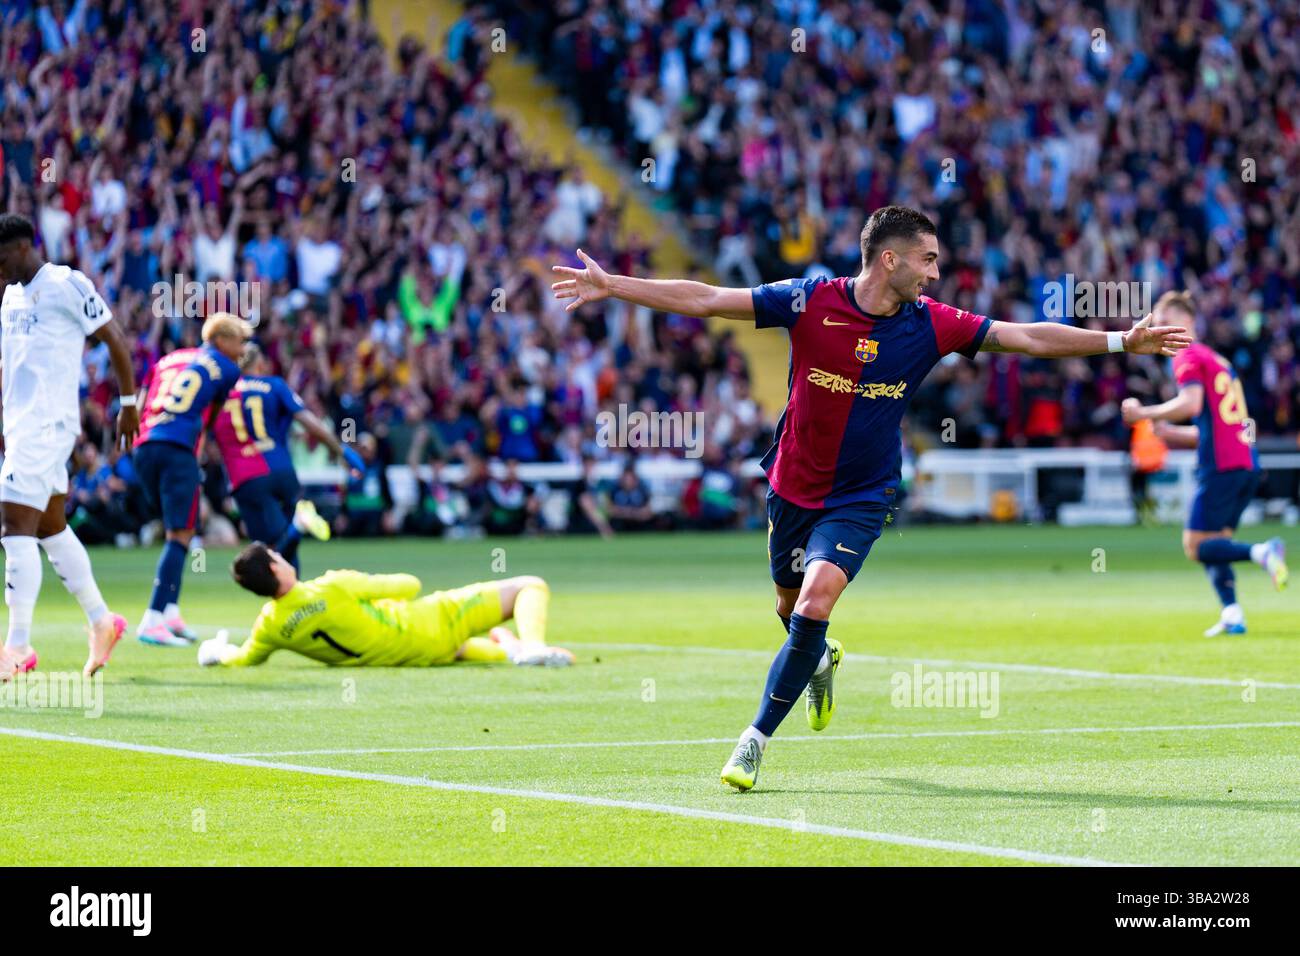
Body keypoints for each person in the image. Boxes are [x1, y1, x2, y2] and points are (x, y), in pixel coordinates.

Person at [553, 204, 1190, 791]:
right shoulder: (809, 300)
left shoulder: (933, 324)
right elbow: (709, 298)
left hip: (863, 493)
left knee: (815, 596)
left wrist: (1116, 342)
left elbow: (1025, 337)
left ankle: (753, 740)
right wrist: (615, 285)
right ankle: (818, 655)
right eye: (929, 260)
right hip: (794, 484)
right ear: (891, 259)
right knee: (789, 608)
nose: (936, 274)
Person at [0, 213, 138, 680]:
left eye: (1, 259)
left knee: (13, 523)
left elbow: (114, 338)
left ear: (22, 248)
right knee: (51, 527)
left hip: (47, 425)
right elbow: (9, 366)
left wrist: (129, 402)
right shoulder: (9, 297)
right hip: (21, 428)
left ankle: (17, 646)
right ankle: (102, 620)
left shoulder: (65, 283)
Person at [1122, 290, 1287, 637]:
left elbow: (1191, 404)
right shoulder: (1217, 360)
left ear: (1186, 321)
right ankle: (1232, 613)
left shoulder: (1186, 354)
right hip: (1244, 463)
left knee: (1195, 546)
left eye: (1164, 322)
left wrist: (1144, 413)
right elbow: (1213, 427)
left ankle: (1264, 552)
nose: (1159, 331)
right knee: (1217, 544)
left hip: (1223, 466)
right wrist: (1170, 433)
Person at [200, 542, 573, 668]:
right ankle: (534, 647)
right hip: (431, 622)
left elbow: (245, 658)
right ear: (273, 568)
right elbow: (410, 585)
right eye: (277, 556)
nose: (283, 557)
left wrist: (217, 652)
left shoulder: (270, 626)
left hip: (412, 654)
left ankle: (512, 650)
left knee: (461, 647)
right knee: (529, 585)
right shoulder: (331, 586)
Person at [132, 312, 251, 647]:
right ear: (222, 340)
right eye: (239, 341)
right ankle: (153, 618)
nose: (242, 350)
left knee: (180, 531)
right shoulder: (225, 367)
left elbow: (143, 396)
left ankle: (169, 611)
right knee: (181, 534)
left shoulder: (170, 359)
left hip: (145, 445)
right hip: (177, 448)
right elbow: (211, 415)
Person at [212, 344, 364, 570]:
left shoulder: (220, 394)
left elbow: (205, 435)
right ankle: (297, 531)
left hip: (247, 477)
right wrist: (342, 450)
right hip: (283, 471)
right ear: (261, 364)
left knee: (268, 553)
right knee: (283, 549)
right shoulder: (274, 385)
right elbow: (309, 422)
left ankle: (298, 528)